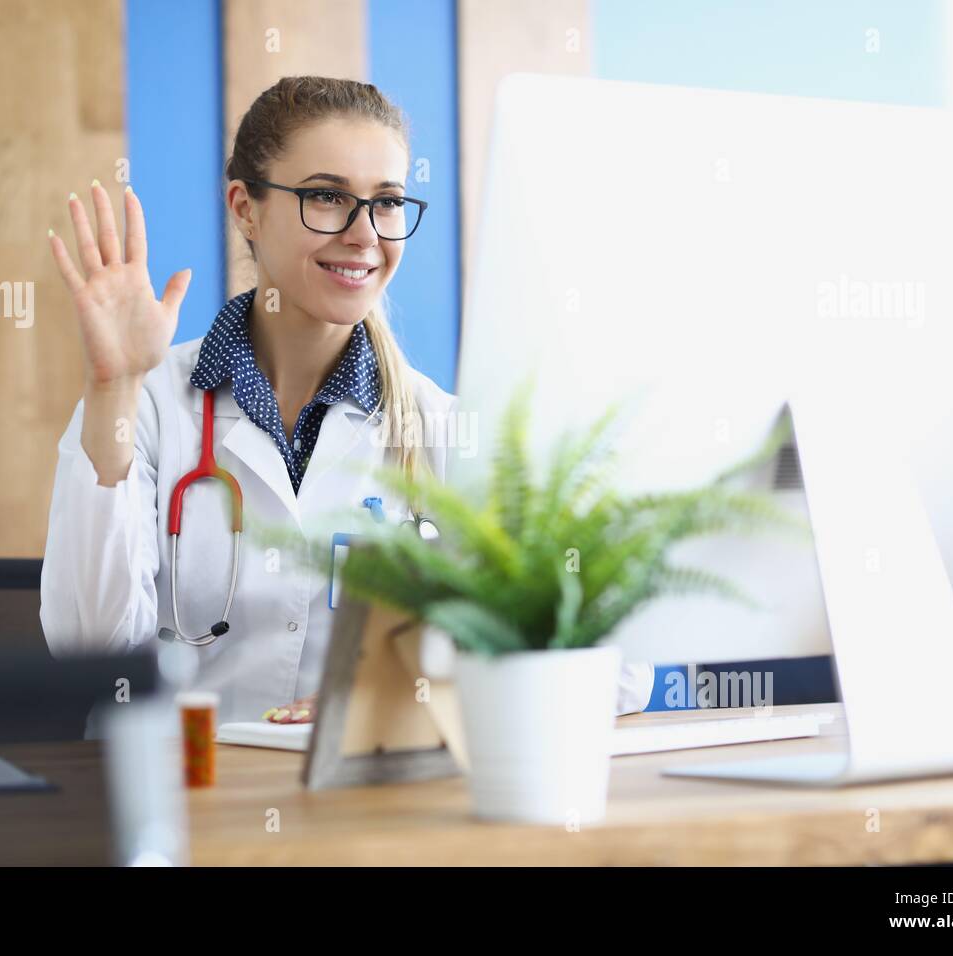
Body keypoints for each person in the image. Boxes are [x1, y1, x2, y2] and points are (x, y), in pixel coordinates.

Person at [39, 76, 654, 731]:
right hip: (183, 798)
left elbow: (621, 672)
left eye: (386, 203)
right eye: (327, 197)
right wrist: (112, 388)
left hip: (363, 809)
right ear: (246, 208)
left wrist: (422, 693)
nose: (365, 235)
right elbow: (91, 658)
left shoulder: (444, 428)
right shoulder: (148, 402)